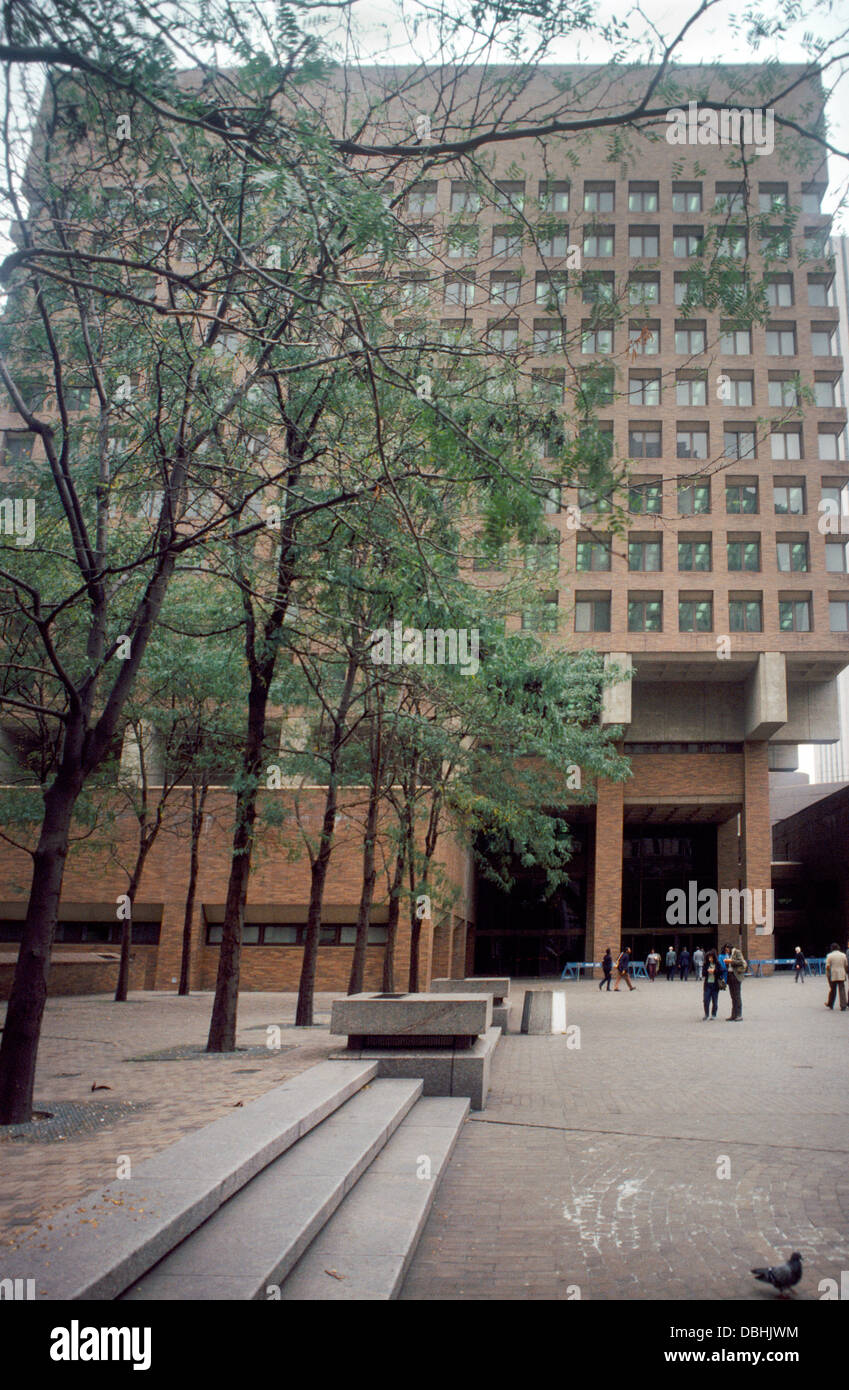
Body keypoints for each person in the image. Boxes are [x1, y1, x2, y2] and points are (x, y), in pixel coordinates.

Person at [723, 941, 747, 1021]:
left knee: (737, 996)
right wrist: (727, 963)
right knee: (732, 996)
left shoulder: (737, 952)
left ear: (730, 948)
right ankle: (733, 1015)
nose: (726, 951)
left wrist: (731, 961)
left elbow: (741, 961)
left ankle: (739, 1015)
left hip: (736, 976)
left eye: (727, 950)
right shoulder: (728, 954)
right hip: (730, 976)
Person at [701, 948, 726, 1019]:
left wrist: (714, 971)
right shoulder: (706, 964)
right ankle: (706, 1014)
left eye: (711, 957)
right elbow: (703, 974)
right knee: (706, 1000)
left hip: (715, 985)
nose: (710, 959)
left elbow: (721, 971)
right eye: (709, 957)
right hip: (707, 984)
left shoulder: (717, 964)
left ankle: (714, 1014)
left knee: (715, 1001)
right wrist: (707, 971)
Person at [824, 942, 848, 1011]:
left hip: (833, 974)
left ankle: (830, 1004)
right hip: (841, 974)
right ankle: (843, 1006)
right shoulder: (843, 955)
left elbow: (827, 966)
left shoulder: (829, 956)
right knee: (842, 989)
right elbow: (846, 965)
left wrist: (828, 973)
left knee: (833, 990)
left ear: (832, 948)